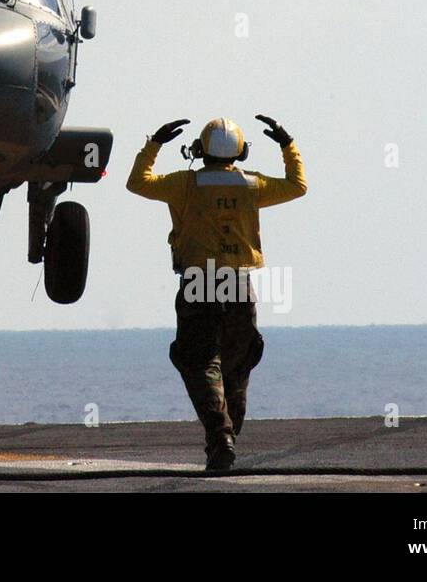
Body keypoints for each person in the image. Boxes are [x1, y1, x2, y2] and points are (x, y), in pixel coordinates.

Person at [126, 115, 307, 471]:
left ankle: (220, 436)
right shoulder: (252, 185)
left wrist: (155, 143)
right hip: (239, 282)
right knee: (237, 365)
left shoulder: (184, 184)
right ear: (241, 152)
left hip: (198, 281)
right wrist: (288, 144)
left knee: (200, 361)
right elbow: (297, 185)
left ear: (199, 150)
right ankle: (225, 440)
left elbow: (138, 182)